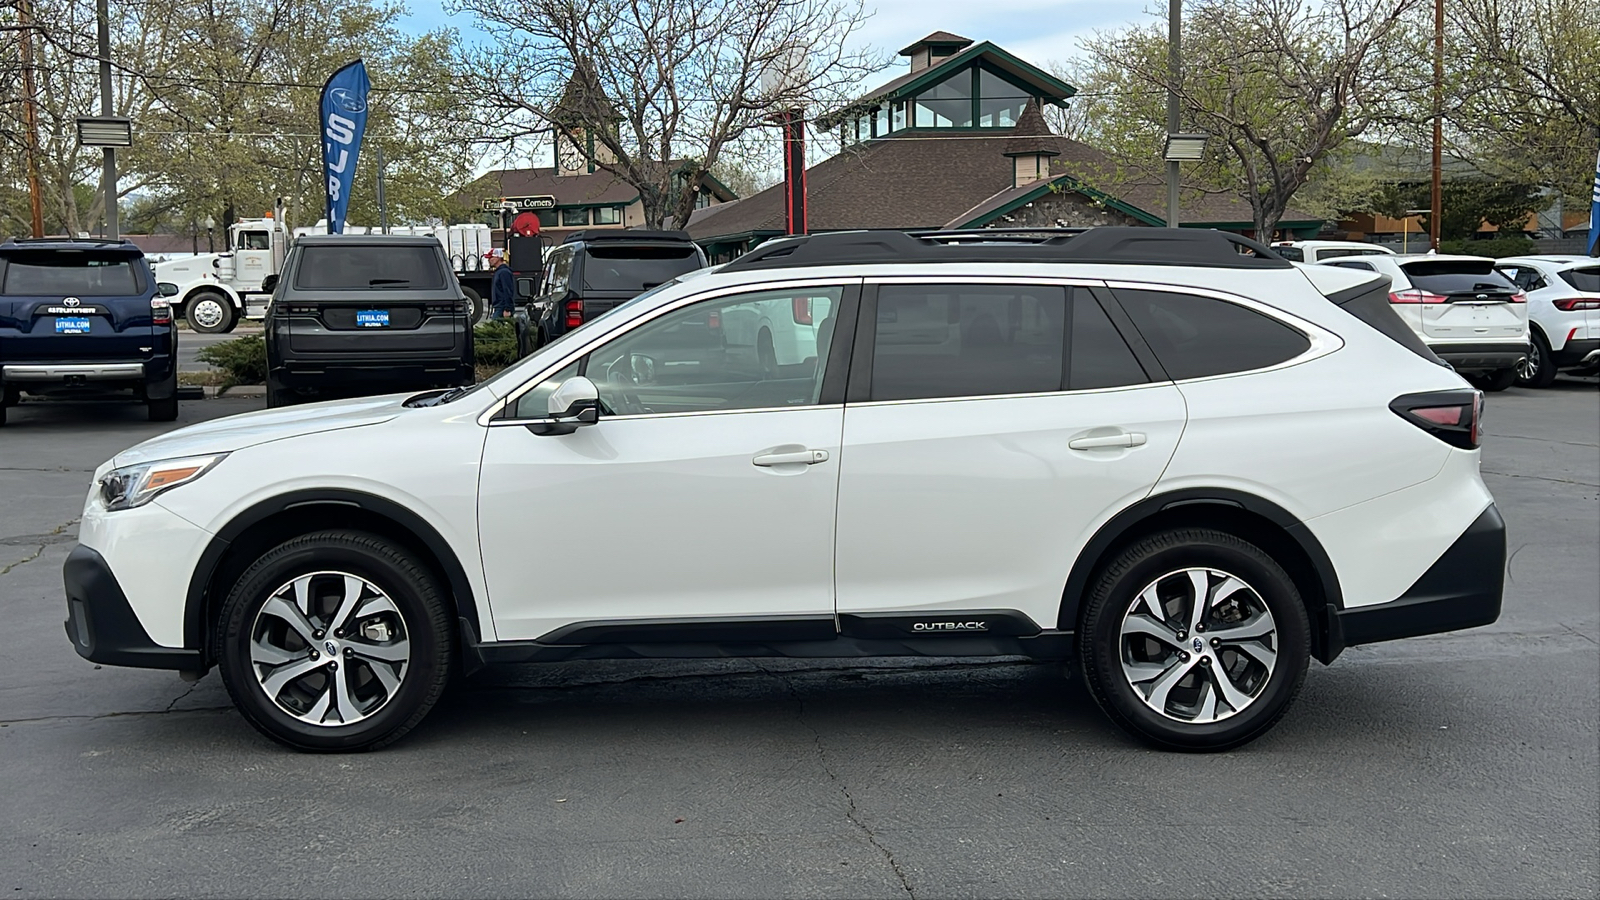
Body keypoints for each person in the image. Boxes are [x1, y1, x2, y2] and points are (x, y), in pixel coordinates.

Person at [488, 249, 515, 318]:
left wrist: (507, 309)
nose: (489, 260)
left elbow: (508, 290)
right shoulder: (499, 272)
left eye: (491, 257)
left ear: (498, 258)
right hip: (498, 307)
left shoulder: (504, 272)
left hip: (502, 308)